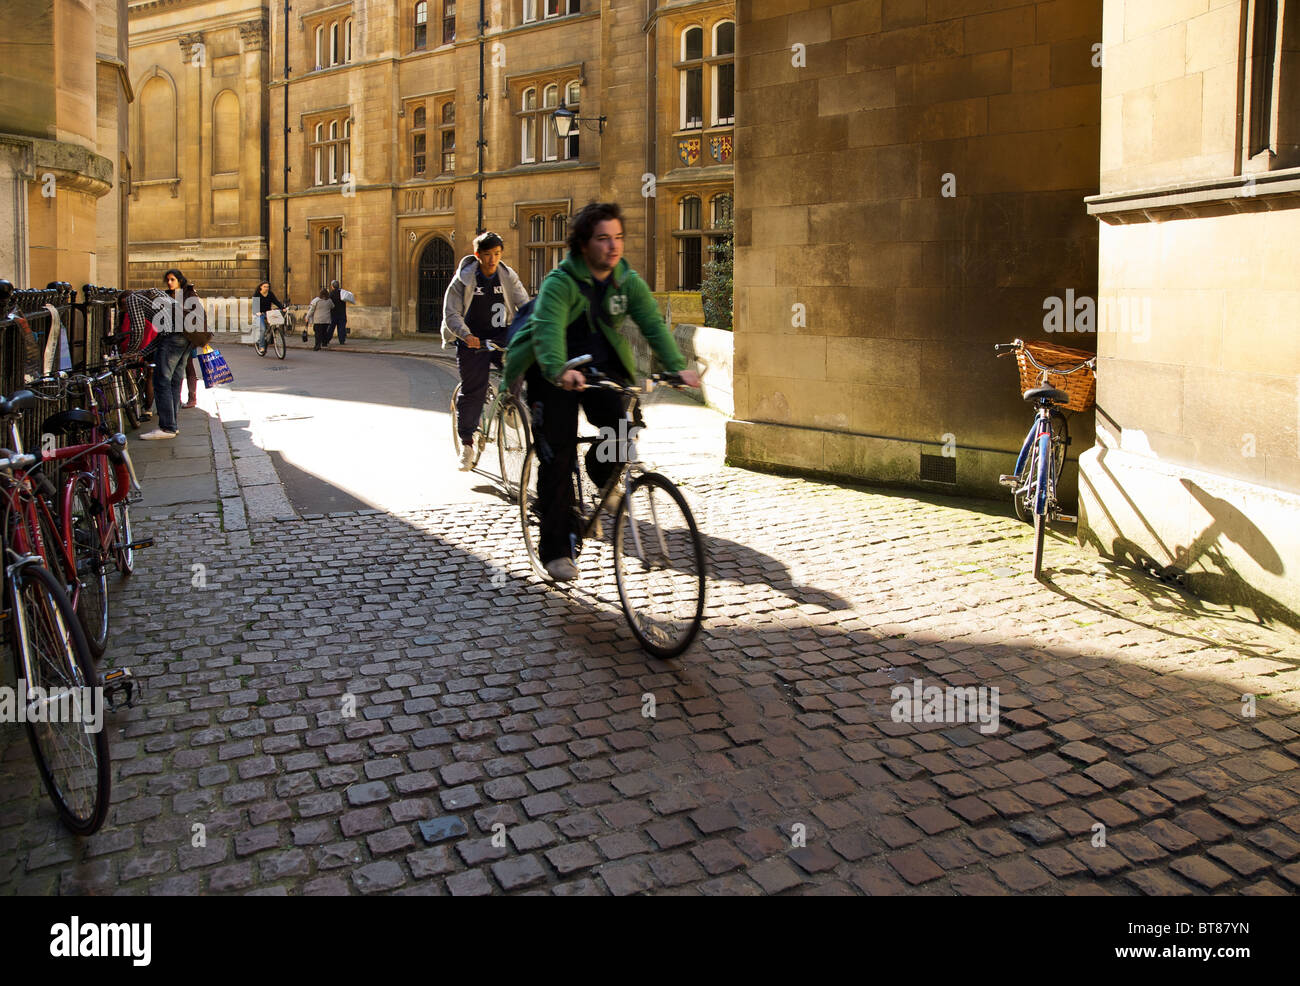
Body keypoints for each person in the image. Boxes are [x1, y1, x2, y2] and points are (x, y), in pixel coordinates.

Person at [503, 202, 700, 580]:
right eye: (603, 239)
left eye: (619, 238)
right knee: (557, 458)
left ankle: (601, 475)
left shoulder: (626, 281)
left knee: (625, 427)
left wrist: (675, 366)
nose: (613, 247)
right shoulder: (561, 282)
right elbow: (546, 329)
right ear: (583, 245)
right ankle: (557, 550)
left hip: (597, 363)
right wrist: (559, 370)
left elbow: (652, 323)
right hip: (552, 367)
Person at [442, 231, 530, 470]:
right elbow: (451, 314)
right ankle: (468, 444)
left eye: (498, 254)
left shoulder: (508, 276)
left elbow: (524, 305)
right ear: (477, 255)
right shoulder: (463, 280)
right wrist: (466, 335)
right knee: (474, 390)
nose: (493, 260)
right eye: (488, 255)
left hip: (502, 335)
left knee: (518, 364)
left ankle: (510, 403)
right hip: (473, 339)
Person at [140, 268, 202, 440]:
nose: (169, 282)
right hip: (184, 339)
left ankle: (167, 427)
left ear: (180, 280)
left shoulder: (185, 295)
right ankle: (172, 424)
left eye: (172, 279)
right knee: (175, 380)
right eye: (167, 279)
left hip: (176, 338)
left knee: (162, 381)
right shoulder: (178, 295)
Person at [251, 279, 287, 350]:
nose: (266, 288)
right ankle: (261, 346)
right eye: (265, 287)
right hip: (259, 314)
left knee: (275, 324)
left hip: (268, 313)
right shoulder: (257, 294)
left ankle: (272, 338)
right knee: (263, 329)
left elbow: (276, 301)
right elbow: (255, 306)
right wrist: (258, 312)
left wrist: (282, 308)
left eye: (267, 287)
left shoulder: (270, 294)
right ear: (261, 287)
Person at [328, 279, 349, 345]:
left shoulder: (331, 294)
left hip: (333, 313)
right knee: (341, 328)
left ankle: (327, 339)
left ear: (332, 286)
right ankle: (342, 340)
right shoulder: (342, 293)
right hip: (342, 313)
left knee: (331, 328)